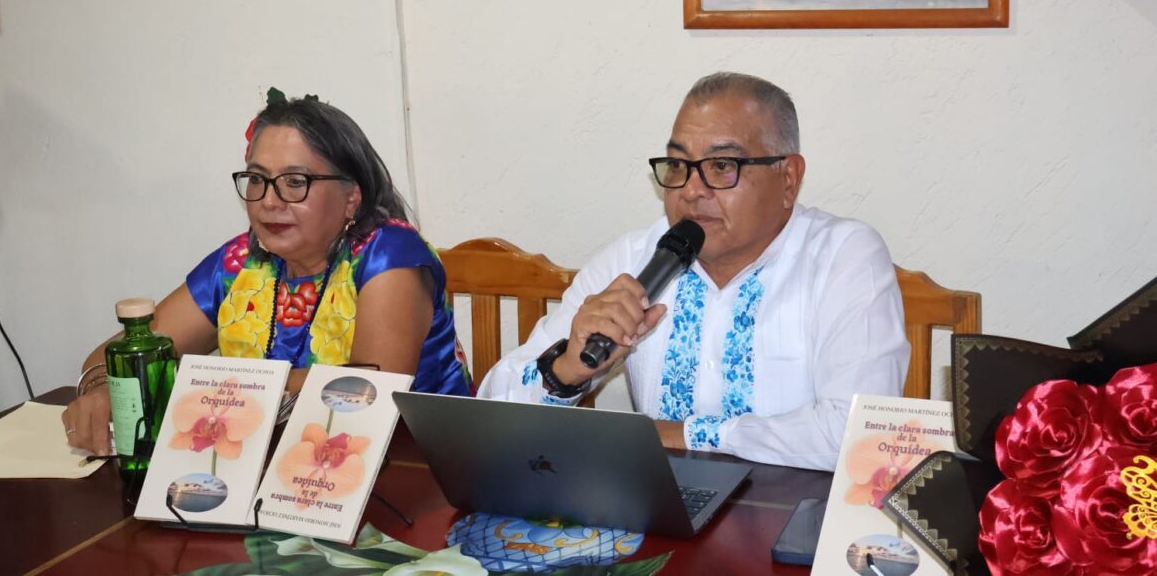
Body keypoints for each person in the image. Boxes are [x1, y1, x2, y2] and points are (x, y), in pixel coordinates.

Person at [478, 73, 909, 470]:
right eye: (679, 166)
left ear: (789, 179)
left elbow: (862, 436)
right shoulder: (631, 261)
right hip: (657, 515)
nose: (691, 190)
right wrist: (569, 368)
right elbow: (490, 413)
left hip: (794, 525)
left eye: (722, 166)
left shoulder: (843, 257)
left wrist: (682, 434)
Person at [64, 90, 471, 455]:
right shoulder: (239, 263)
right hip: (272, 474)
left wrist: (218, 388)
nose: (269, 201)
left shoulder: (391, 255)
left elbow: (365, 394)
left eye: (295, 182)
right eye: (257, 179)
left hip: (416, 472)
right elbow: (114, 355)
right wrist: (102, 387)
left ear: (352, 197)